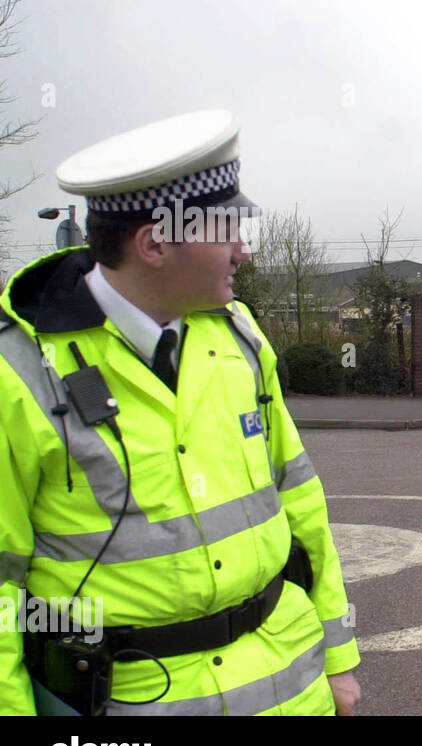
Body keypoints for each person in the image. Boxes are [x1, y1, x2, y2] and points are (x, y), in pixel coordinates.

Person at [0, 110, 361, 715]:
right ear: (155, 242)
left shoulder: (241, 335)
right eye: (228, 230)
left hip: (294, 689)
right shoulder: (20, 373)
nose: (243, 250)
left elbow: (301, 504)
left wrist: (340, 658)